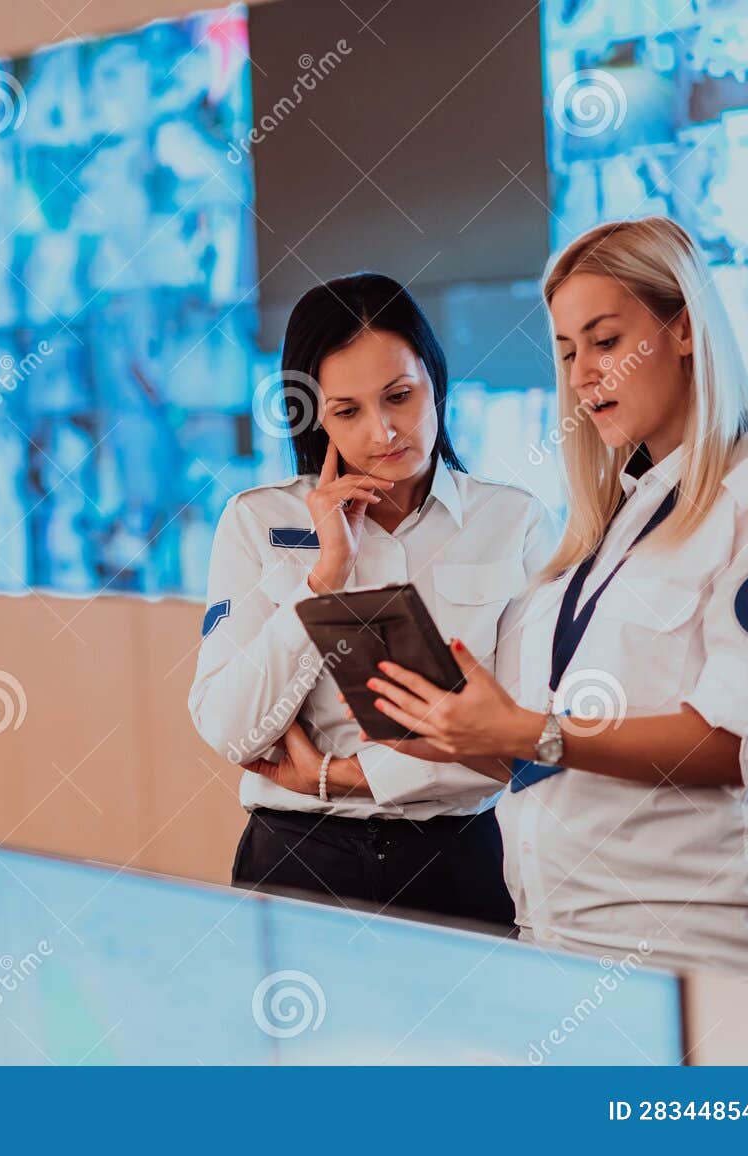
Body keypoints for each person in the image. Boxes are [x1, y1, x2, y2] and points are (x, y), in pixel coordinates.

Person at [363, 217, 748, 984]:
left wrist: (530, 729)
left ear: (684, 330)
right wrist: (465, 733)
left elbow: (729, 745)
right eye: (565, 352)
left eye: (604, 340)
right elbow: (569, 749)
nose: (582, 374)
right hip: (561, 949)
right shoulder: (620, 514)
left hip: (705, 970)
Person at [188, 272, 553, 926]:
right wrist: (324, 575)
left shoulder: (513, 521)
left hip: (461, 859)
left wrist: (340, 775)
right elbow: (230, 728)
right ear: (314, 415)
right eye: (348, 411)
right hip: (297, 859)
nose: (383, 432)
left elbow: (526, 745)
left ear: (434, 380)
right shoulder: (257, 522)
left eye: (400, 396)